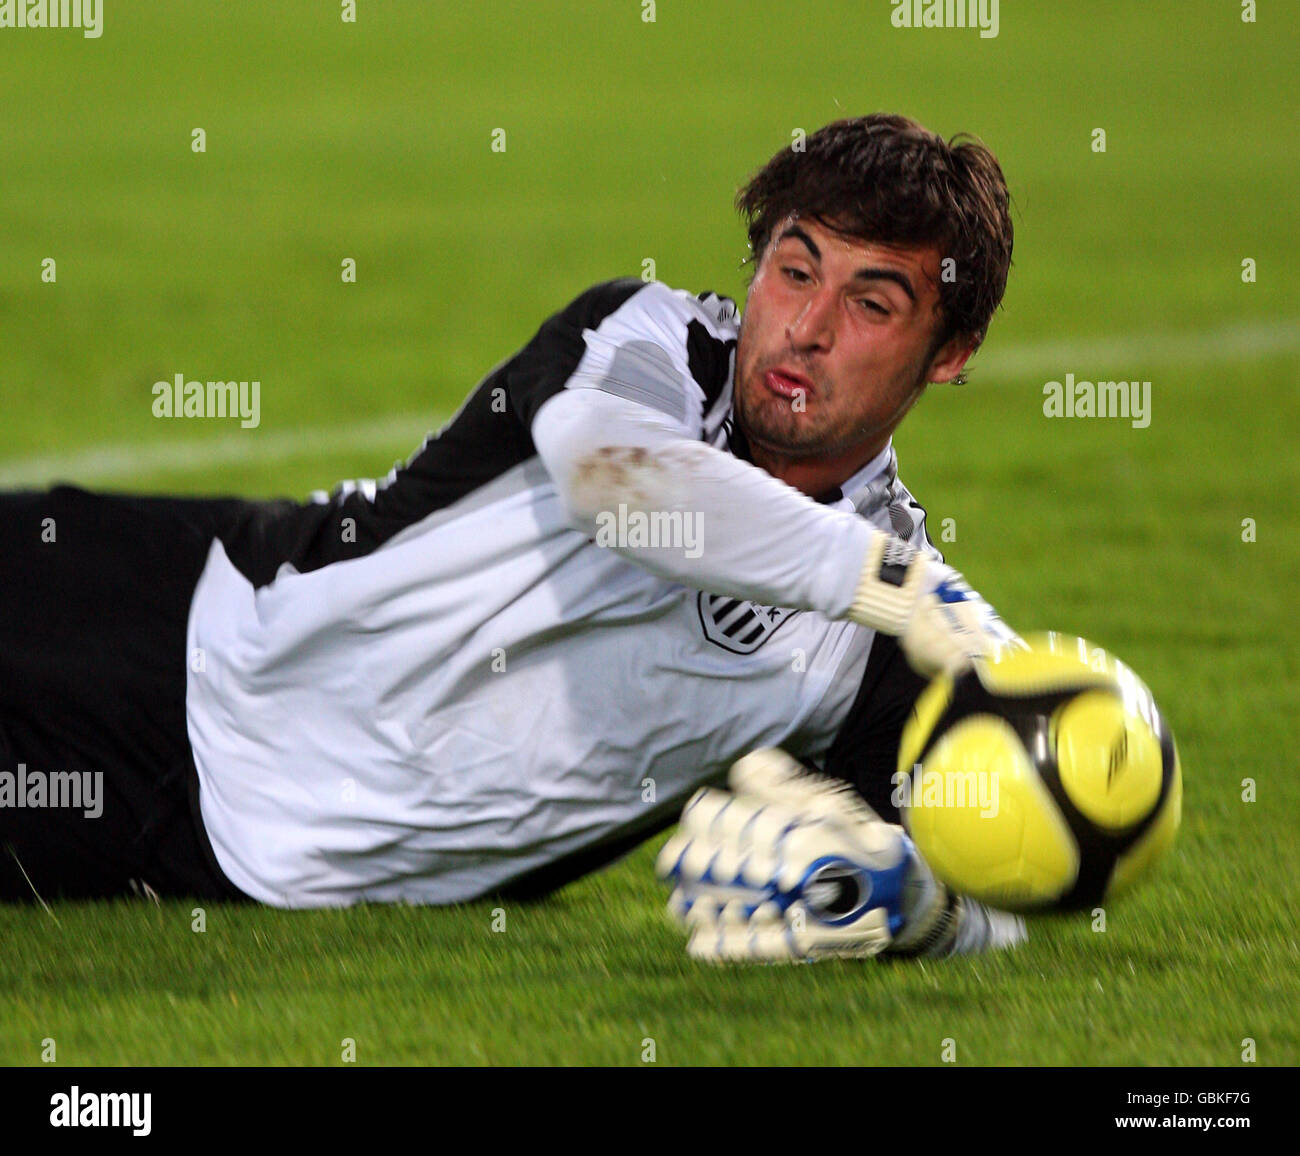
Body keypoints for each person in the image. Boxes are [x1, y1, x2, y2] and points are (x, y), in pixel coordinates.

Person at [0, 113, 1025, 960]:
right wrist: (891, 581)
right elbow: (618, 486)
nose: (806, 325)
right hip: (178, 629)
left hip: (252, 863)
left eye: (871, 302)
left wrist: (918, 908)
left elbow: (1023, 863)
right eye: (793, 270)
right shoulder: (651, 342)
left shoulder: (872, 648)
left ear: (950, 351)